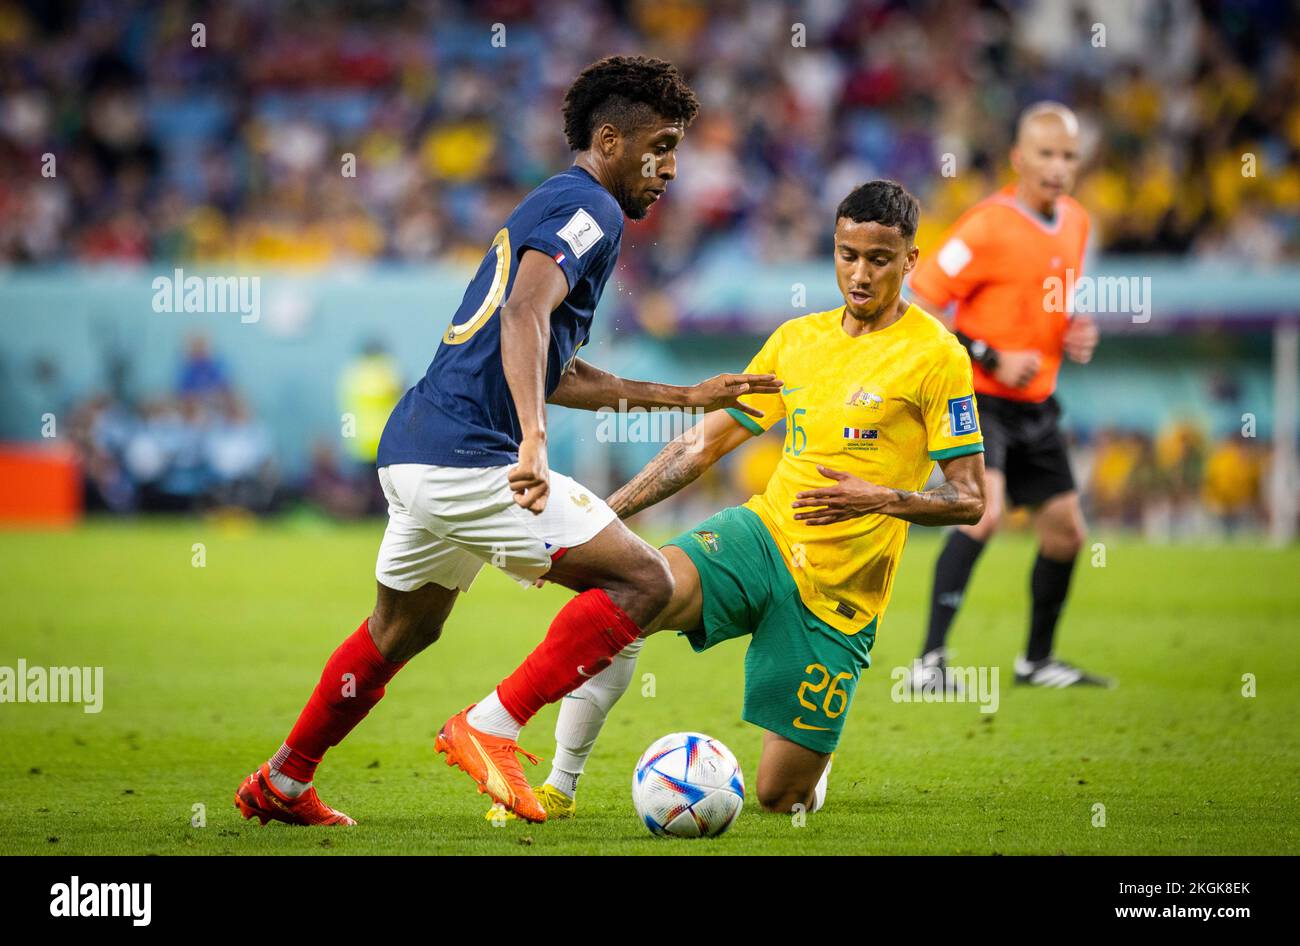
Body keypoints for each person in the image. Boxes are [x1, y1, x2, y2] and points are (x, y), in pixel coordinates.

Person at [235, 55, 781, 826]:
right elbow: (522, 316)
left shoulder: (562, 204)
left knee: (403, 628)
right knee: (646, 584)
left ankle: (284, 781)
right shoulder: (590, 210)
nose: (670, 168)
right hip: (472, 456)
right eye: (659, 146)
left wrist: (683, 396)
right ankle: (491, 726)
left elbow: (552, 366)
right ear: (609, 138)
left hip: (417, 449)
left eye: (677, 149)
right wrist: (532, 442)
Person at [519, 180, 986, 819]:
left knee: (778, 798)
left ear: (911, 261)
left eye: (879, 259)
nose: (859, 272)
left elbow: (969, 500)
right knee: (631, 594)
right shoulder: (797, 341)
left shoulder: (938, 358)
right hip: (762, 539)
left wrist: (880, 497)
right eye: (847, 254)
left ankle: (810, 768)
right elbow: (700, 446)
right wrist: (600, 519)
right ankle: (558, 786)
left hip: (840, 596)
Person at [905, 101, 1111, 689]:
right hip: (981, 399)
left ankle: (1036, 662)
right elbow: (919, 302)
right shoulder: (986, 225)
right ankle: (929, 663)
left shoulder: (1076, 222)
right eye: (1046, 154)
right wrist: (990, 354)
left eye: (1069, 156)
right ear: (1020, 158)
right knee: (982, 514)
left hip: (1038, 406)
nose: (1058, 166)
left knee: (1067, 534)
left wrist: (1073, 328)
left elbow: (1050, 303)